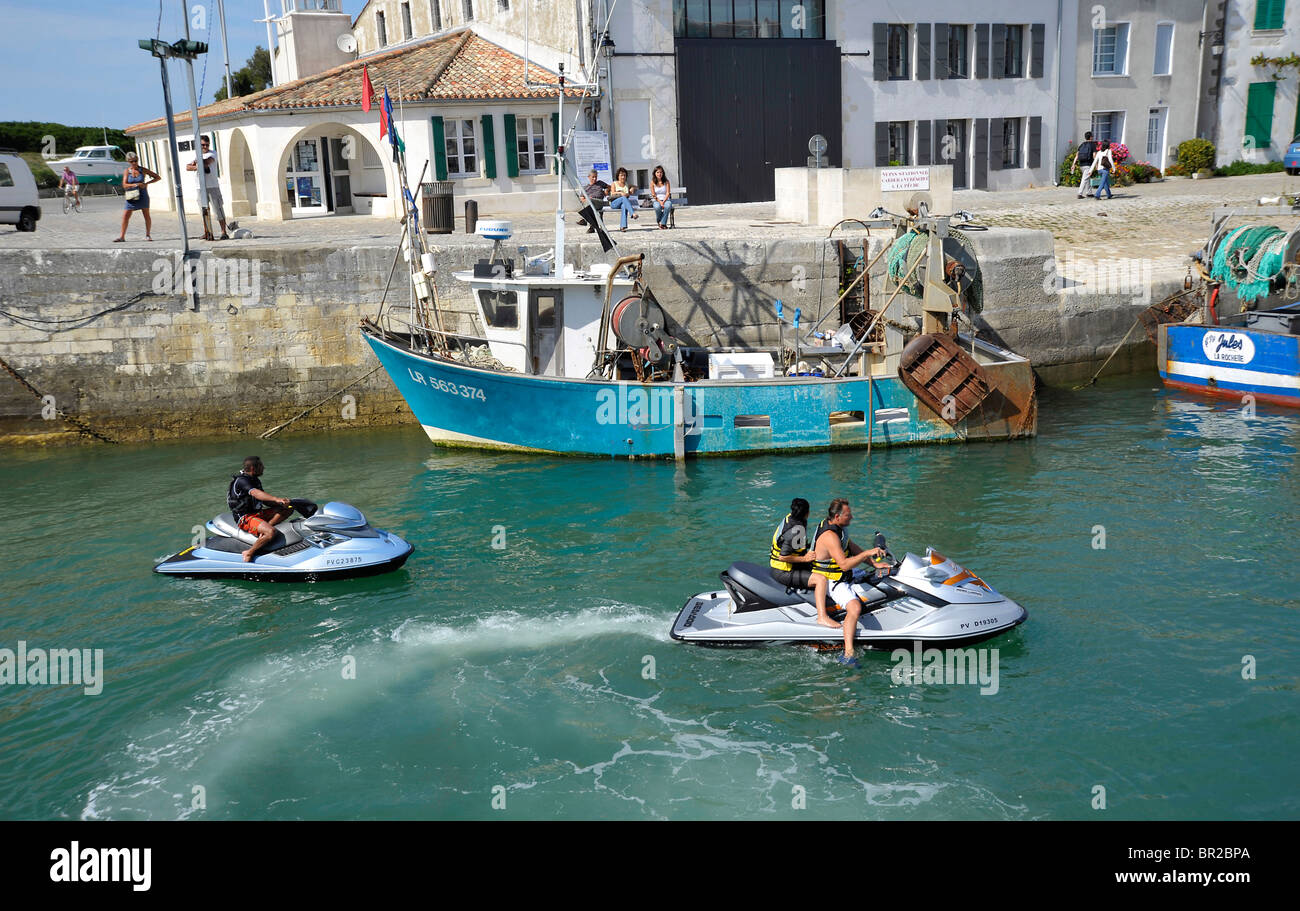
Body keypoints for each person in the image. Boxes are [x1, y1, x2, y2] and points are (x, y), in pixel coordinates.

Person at [811, 498, 888, 668]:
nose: (852, 517)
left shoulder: (839, 528)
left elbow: (851, 546)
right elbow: (844, 564)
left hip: (844, 574)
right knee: (855, 607)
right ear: (837, 516)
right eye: (848, 515)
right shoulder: (830, 536)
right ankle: (848, 653)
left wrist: (874, 563)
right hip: (833, 579)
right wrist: (868, 553)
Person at [768, 498, 836, 629]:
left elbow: (797, 546)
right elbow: (783, 557)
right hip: (783, 571)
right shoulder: (795, 529)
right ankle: (822, 617)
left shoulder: (792, 518)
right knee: (820, 579)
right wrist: (805, 559)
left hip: (792, 565)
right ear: (807, 513)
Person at [227, 456, 296, 562]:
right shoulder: (241, 481)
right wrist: (276, 499)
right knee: (270, 532)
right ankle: (249, 552)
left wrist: (281, 504)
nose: (264, 468)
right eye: (261, 466)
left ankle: (263, 531)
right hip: (245, 518)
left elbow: (264, 500)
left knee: (289, 509)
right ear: (253, 468)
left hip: (258, 513)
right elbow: (256, 493)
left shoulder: (255, 480)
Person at [186, 135, 229, 240]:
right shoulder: (197, 155)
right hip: (200, 187)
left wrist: (196, 164)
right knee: (204, 211)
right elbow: (187, 167)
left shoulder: (213, 153)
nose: (205, 147)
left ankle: (223, 232)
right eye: (202, 145)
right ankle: (207, 232)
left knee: (218, 209)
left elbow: (207, 162)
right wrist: (197, 166)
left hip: (212, 186)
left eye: (207, 145)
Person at [114, 152, 160, 242]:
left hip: (143, 195)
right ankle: (122, 236)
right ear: (128, 162)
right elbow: (124, 185)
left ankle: (148, 235)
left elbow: (157, 177)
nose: (134, 163)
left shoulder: (142, 170)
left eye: (135, 161)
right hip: (131, 196)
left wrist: (147, 183)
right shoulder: (127, 171)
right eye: (132, 161)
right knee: (125, 216)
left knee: (146, 215)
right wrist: (135, 184)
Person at [578, 168, 610, 234]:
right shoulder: (586, 187)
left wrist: (606, 191)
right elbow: (581, 198)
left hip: (599, 203)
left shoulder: (600, 183)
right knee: (589, 203)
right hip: (590, 204)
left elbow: (610, 187)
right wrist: (586, 200)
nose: (594, 179)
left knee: (590, 201)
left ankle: (585, 220)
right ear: (589, 177)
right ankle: (592, 227)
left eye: (596, 177)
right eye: (593, 177)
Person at [607, 167, 638, 232]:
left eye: (624, 175)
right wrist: (621, 193)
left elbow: (636, 186)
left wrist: (632, 188)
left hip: (623, 203)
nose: (623, 177)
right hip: (614, 203)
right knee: (623, 198)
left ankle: (623, 226)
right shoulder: (614, 183)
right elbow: (612, 193)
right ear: (618, 176)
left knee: (624, 206)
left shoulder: (626, 184)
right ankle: (632, 213)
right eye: (621, 175)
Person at [1071, 131, 1098, 199]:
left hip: (1081, 164)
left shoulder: (1082, 144)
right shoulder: (1093, 144)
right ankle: (1079, 194)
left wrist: (1073, 164)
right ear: (1091, 137)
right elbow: (1094, 155)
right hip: (1088, 164)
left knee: (1087, 177)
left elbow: (1077, 155)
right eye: (1092, 136)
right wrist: (1096, 164)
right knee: (1085, 179)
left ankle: (1089, 193)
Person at [650, 164, 672, 229]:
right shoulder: (652, 182)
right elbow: (653, 194)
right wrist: (660, 202)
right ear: (655, 173)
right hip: (656, 200)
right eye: (657, 172)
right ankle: (660, 221)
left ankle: (662, 223)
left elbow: (668, 193)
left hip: (666, 199)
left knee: (668, 206)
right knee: (657, 207)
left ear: (663, 173)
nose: (659, 174)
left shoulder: (666, 182)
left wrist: (664, 201)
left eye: (661, 172)